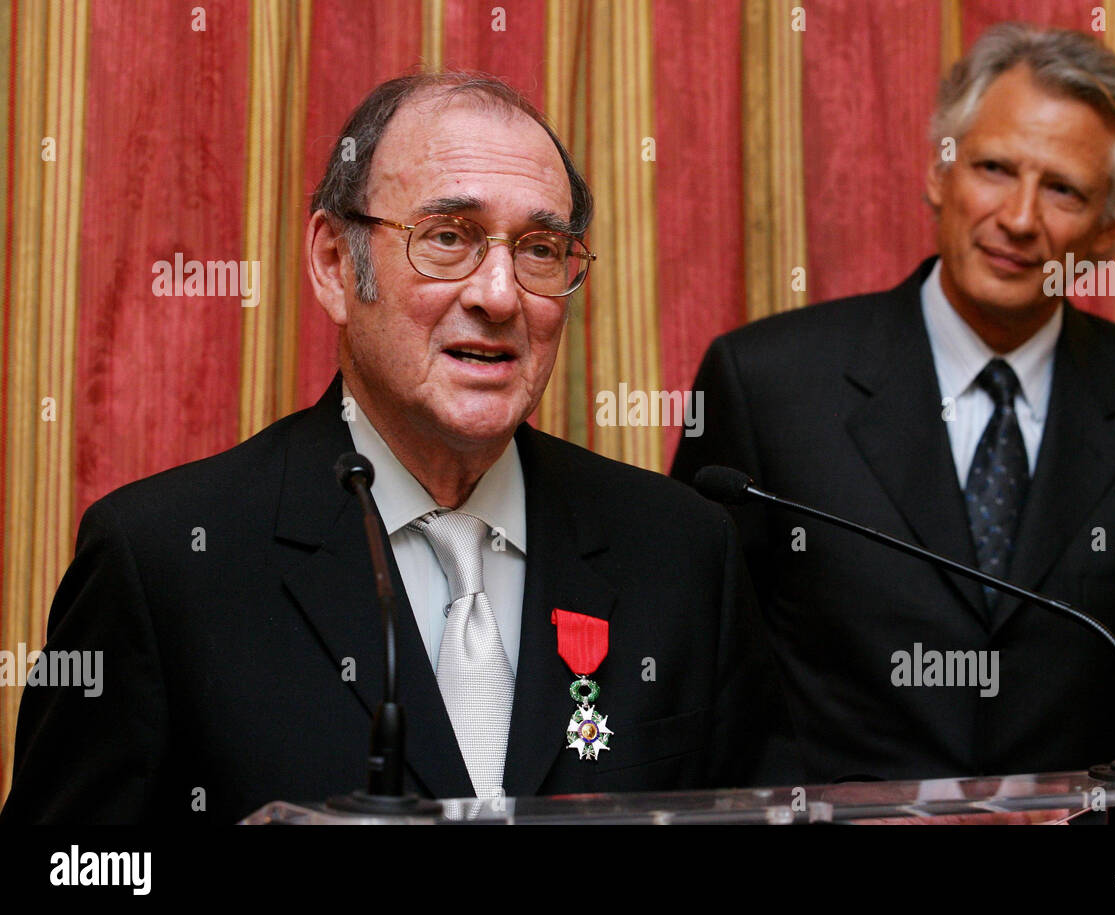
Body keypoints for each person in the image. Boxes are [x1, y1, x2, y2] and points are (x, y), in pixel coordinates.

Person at [2, 72, 796, 824]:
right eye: (447, 237)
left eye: (540, 249)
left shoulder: (682, 550)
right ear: (335, 264)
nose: (497, 294)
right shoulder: (167, 561)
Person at [672, 24, 1115, 784]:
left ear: (1109, 230)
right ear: (940, 174)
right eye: (995, 168)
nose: (1019, 218)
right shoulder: (766, 382)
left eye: (1063, 189)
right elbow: (702, 672)